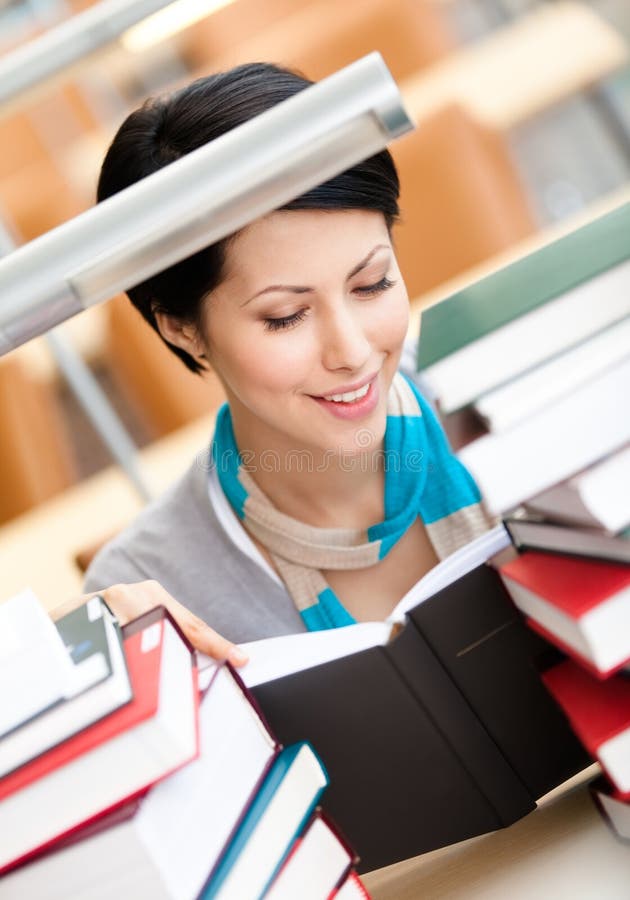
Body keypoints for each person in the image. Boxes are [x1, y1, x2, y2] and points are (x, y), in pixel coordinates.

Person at [84, 62, 492, 659]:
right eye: (285, 317)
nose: (351, 351)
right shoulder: (154, 588)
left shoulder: (510, 391)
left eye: (372, 283)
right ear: (180, 327)